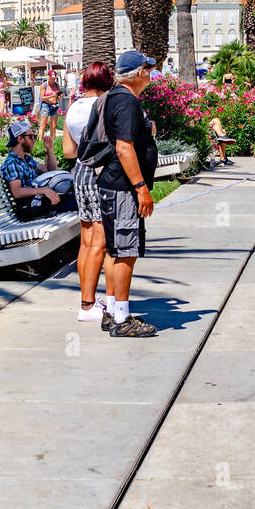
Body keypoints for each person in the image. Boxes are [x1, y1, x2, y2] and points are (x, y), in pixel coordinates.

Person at [95, 50, 160, 338]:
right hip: (123, 188)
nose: (150, 73)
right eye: (147, 68)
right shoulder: (125, 100)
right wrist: (141, 188)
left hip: (115, 186)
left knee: (115, 250)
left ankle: (112, 311)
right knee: (125, 252)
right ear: (137, 74)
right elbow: (123, 148)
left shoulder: (119, 98)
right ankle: (122, 319)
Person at [63, 62, 115, 323]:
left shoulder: (72, 107)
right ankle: (87, 306)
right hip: (98, 171)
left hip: (80, 172)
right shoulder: (104, 105)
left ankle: (88, 300)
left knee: (85, 241)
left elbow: (68, 152)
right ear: (108, 81)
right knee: (101, 241)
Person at [1, 119, 69, 219]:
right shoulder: (12, 163)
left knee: (77, 199)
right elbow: (17, 192)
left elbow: (50, 171)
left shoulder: (27, 159)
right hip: (28, 208)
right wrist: (43, 190)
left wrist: (49, 149)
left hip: (39, 202)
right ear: (20, 138)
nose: (34, 140)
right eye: (31, 136)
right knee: (78, 202)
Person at [38, 68, 62, 146]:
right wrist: (52, 95)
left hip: (54, 105)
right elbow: (42, 98)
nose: (52, 80)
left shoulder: (56, 84)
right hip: (46, 105)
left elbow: (59, 94)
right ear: (48, 77)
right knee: (43, 125)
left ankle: (53, 143)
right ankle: (40, 143)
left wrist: (59, 96)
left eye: (54, 78)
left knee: (54, 126)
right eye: (51, 78)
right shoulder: (44, 85)